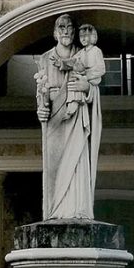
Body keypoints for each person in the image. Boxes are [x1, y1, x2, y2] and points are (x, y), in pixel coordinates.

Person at [34, 14, 103, 220]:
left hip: (76, 116)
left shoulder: (81, 55)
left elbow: (93, 84)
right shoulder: (45, 59)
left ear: (74, 32)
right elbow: (41, 90)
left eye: (69, 27)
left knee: (77, 161)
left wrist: (87, 88)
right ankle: (56, 212)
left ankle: (77, 209)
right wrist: (41, 108)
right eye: (61, 27)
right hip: (55, 117)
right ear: (55, 32)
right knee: (55, 167)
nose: (65, 31)